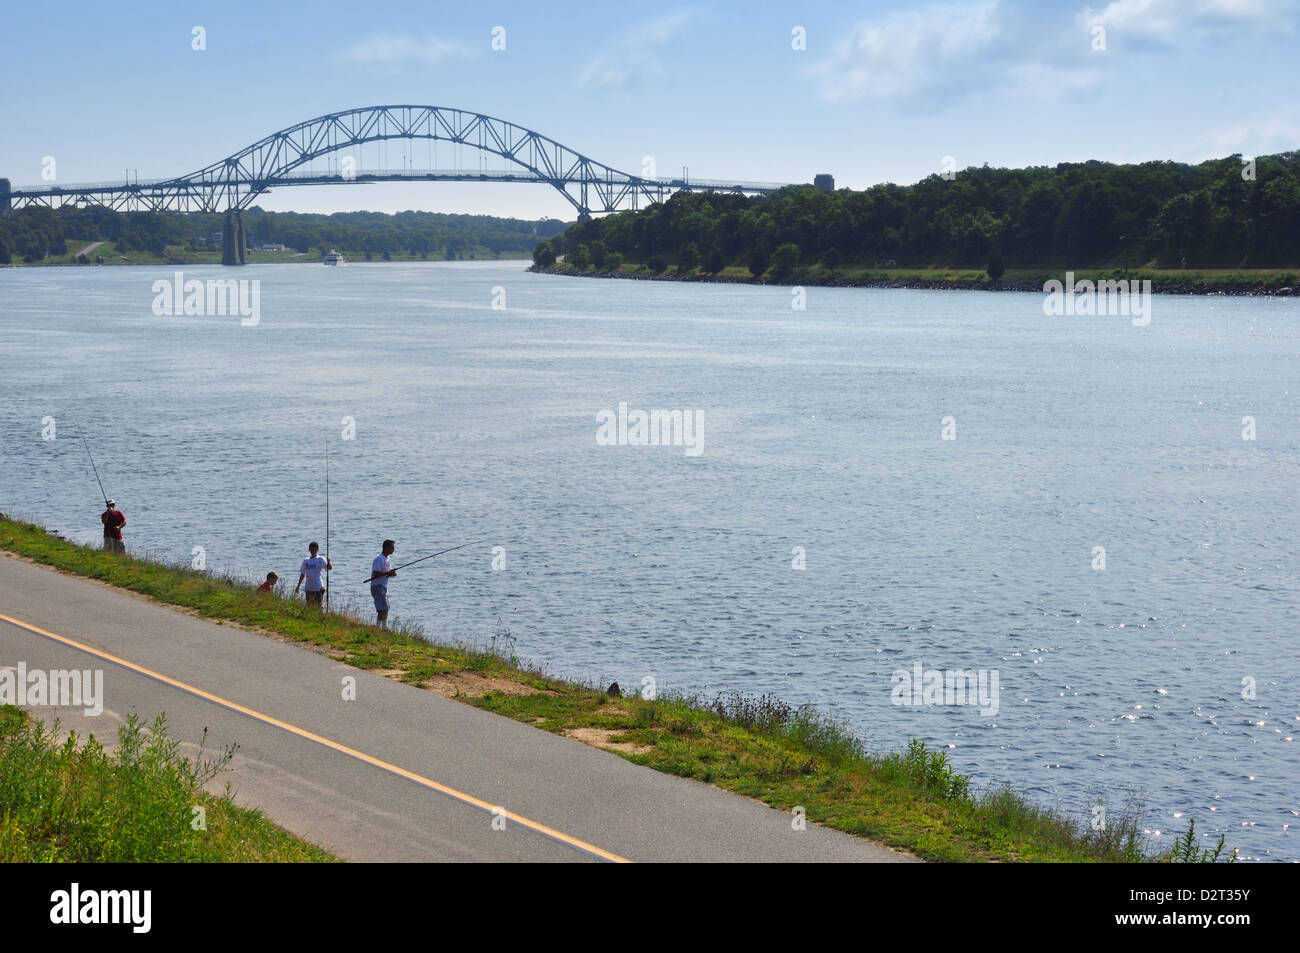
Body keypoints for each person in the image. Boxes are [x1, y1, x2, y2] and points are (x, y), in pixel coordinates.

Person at [294, 541, 331, 607]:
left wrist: (329, 562)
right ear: (309, 550)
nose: (313, 551)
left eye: (315, 550)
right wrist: (298, 586)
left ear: (317, 550)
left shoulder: (320, 559)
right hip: (308, 588)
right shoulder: (306, 561)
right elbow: (302, 574)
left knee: (318, 606)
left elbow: (328, 568)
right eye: (311, 549)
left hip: (318, 587)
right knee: (309, 607)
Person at [370, 539, 397, 628]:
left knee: (385, 607)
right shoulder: (379, 559)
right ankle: (381, 628)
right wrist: (388, 573)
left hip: (383, 586)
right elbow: (376, 574)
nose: (393, 549)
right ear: (386, 547)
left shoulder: (388, 558)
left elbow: (385, 573)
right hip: (377, 586)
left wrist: (391, 574)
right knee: (382, 608)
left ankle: (381, 627)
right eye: (392, 547)